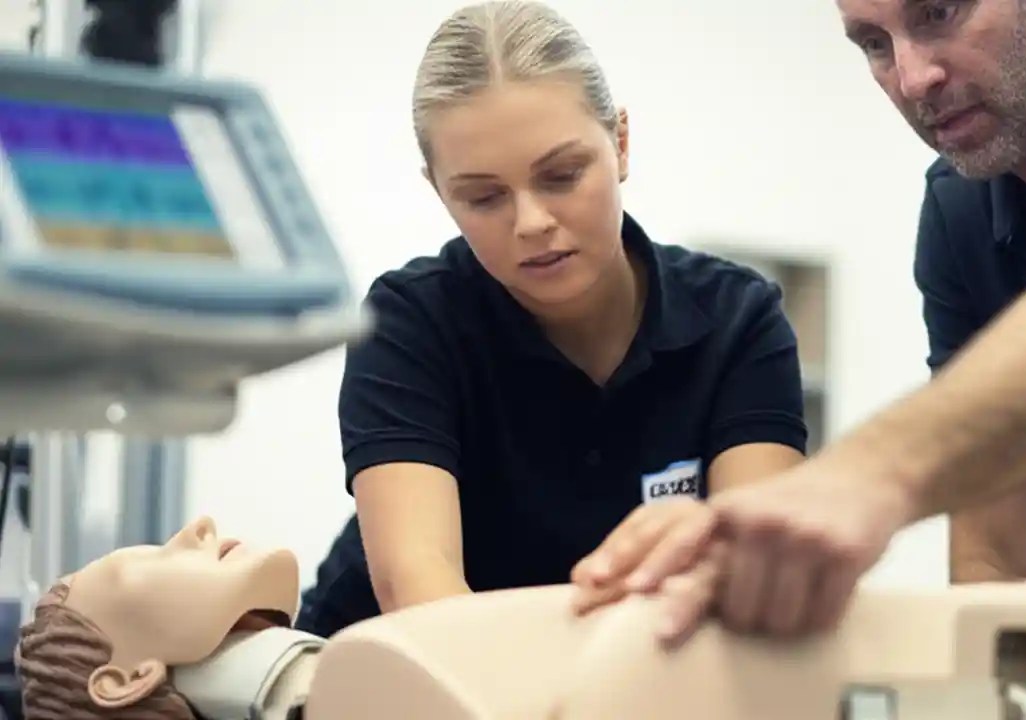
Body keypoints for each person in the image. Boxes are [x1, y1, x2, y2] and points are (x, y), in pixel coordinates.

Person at [571, 0, 1026, 715]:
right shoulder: (963, 217)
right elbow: (1005, 567)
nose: (913, 78)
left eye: (939, 13)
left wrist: (855, 482)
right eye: (875, 44)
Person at [294, 0, 809, 638]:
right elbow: (418, 589)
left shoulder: (738, 321)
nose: (532, 222)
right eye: (483, 197)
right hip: (407, 679)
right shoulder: (411, 321)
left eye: (562, 176)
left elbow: (749, 577)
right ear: (439, 192)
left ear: (619, 143)